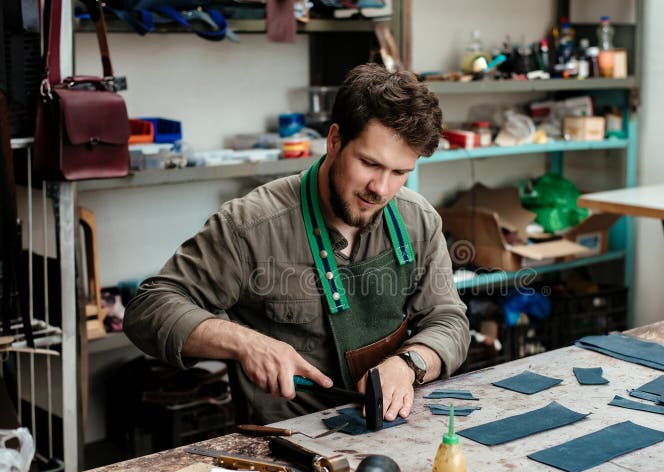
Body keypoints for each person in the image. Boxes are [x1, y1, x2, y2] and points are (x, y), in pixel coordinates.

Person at [123, 63, 469, 424]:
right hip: (287, 449)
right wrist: (244, 343)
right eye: (369, 163)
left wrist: (409, 363)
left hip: (392, 429)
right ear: (334, 140)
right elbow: (149, 308)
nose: (381, 188)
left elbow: (449, 320)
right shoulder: (250, 226)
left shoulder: (418, 220)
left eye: (399, 173)